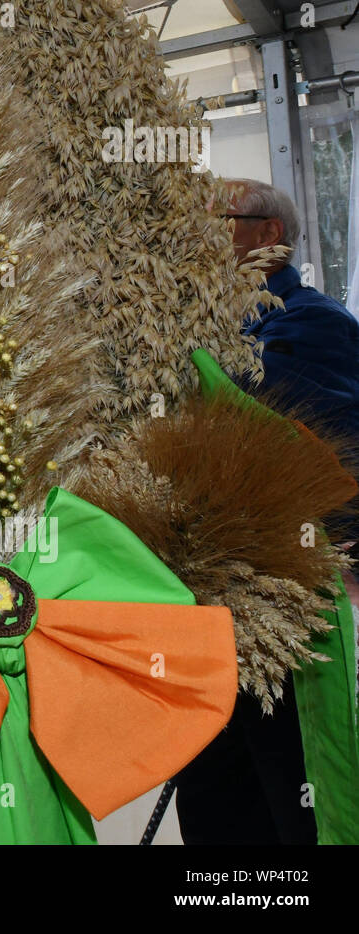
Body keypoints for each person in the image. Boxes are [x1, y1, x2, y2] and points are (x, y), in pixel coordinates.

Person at [176, 179, 359, 844]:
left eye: (213, 219)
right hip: (213, 613)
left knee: (294, 800)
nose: (196, 234)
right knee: (218, 808)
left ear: (264, 235)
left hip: (289, 609)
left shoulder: (312, 324)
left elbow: (289, 437)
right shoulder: (219, 325)